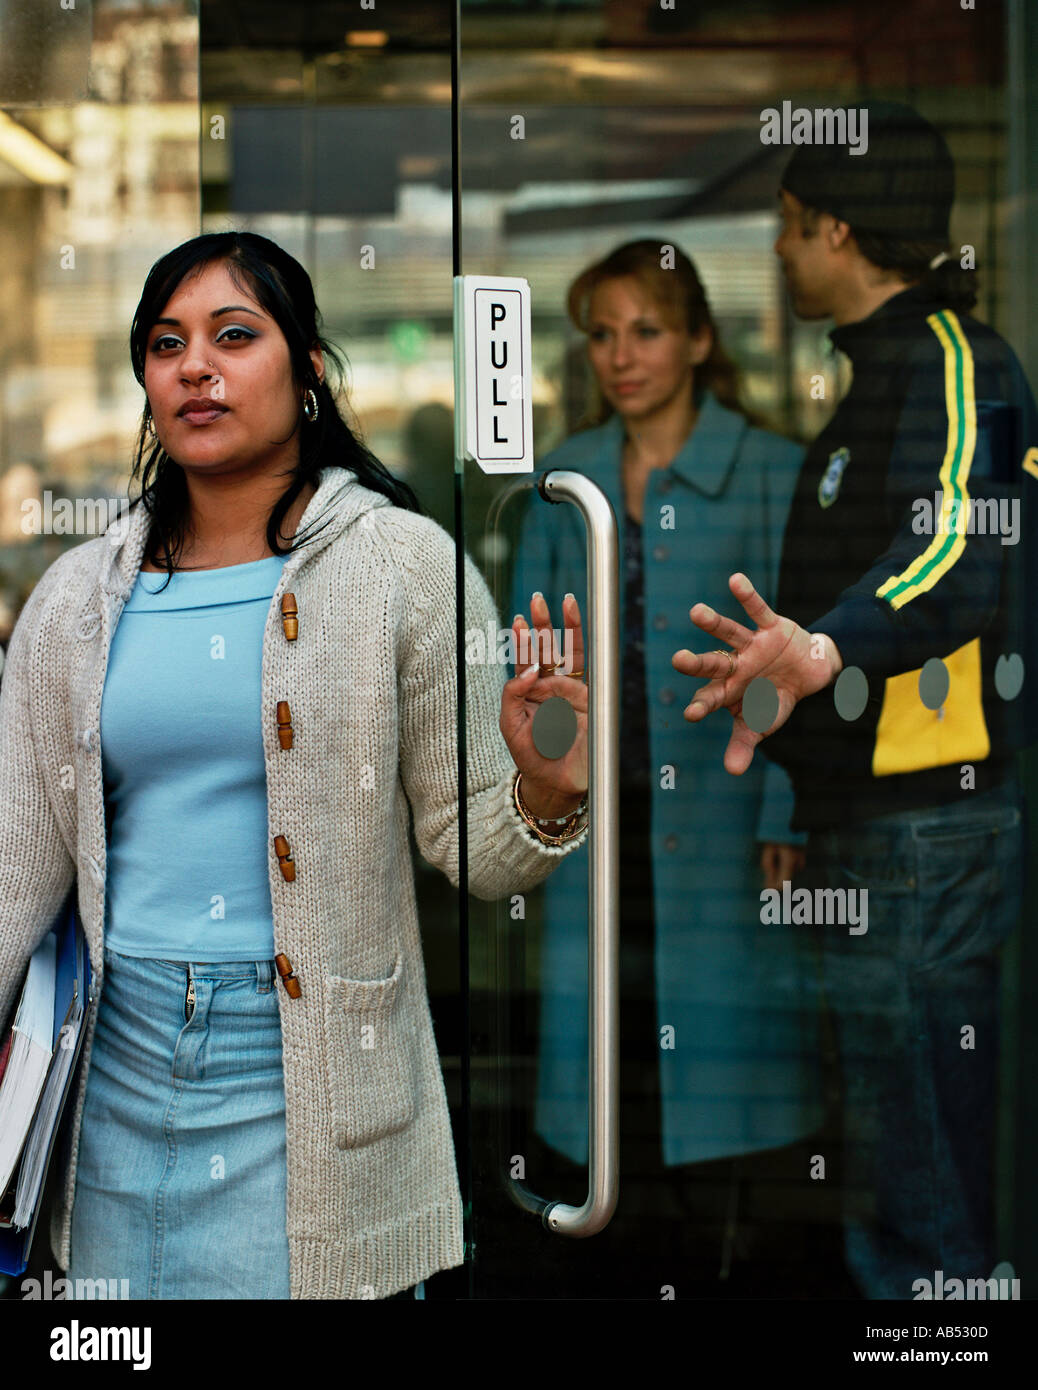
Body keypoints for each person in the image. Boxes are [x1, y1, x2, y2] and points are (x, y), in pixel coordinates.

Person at [0, 231, 591, 1301]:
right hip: (111, 1083)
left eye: (236, 335)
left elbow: (477, 849)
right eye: (165, 344)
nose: (195, 366)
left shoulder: (404, 567)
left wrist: (547, 787)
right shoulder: (76, 599)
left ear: (307, 369)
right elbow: (14, 873)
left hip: (313, 1085)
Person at [672, 103, 1038, 1298]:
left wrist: (824, 651)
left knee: (924, 1176)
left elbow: (957, 551)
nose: (779, 254)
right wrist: (795, 786)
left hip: (927, 829)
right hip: (871, 824)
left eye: (788, 227)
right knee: (894, 1153)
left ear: (836, 228)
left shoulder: (950, 356)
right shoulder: (880, 370)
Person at [510, 239, 834, 1298]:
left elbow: (805, 658)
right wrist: (545, 788)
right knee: (610, 1036)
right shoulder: (565, 477)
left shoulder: (779, 473)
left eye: (645, 329)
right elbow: (528, 657)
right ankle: (620, 1234)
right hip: (600, 815)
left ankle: (730, 1251)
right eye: (601, 334)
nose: (620, 354)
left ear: (698, 338)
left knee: (729, 1045)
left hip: (728, 811)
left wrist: (785, 802)